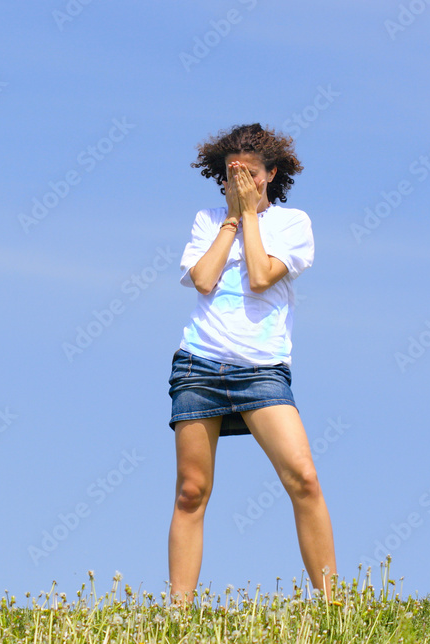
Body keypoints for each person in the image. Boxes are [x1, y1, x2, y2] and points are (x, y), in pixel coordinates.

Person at [166, 123, 336, 604]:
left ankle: (335, 605)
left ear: (271, 174)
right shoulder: (208, 218)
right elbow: (202, 279)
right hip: (200, 366)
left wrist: (251, 218)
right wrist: (231, 221)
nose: (238, 184)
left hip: (262, 370)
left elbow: (261, 276)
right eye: (230, 176)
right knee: (191, 491)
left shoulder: (293, 224)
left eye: (249, 175)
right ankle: (178, 613)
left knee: (303, 477)